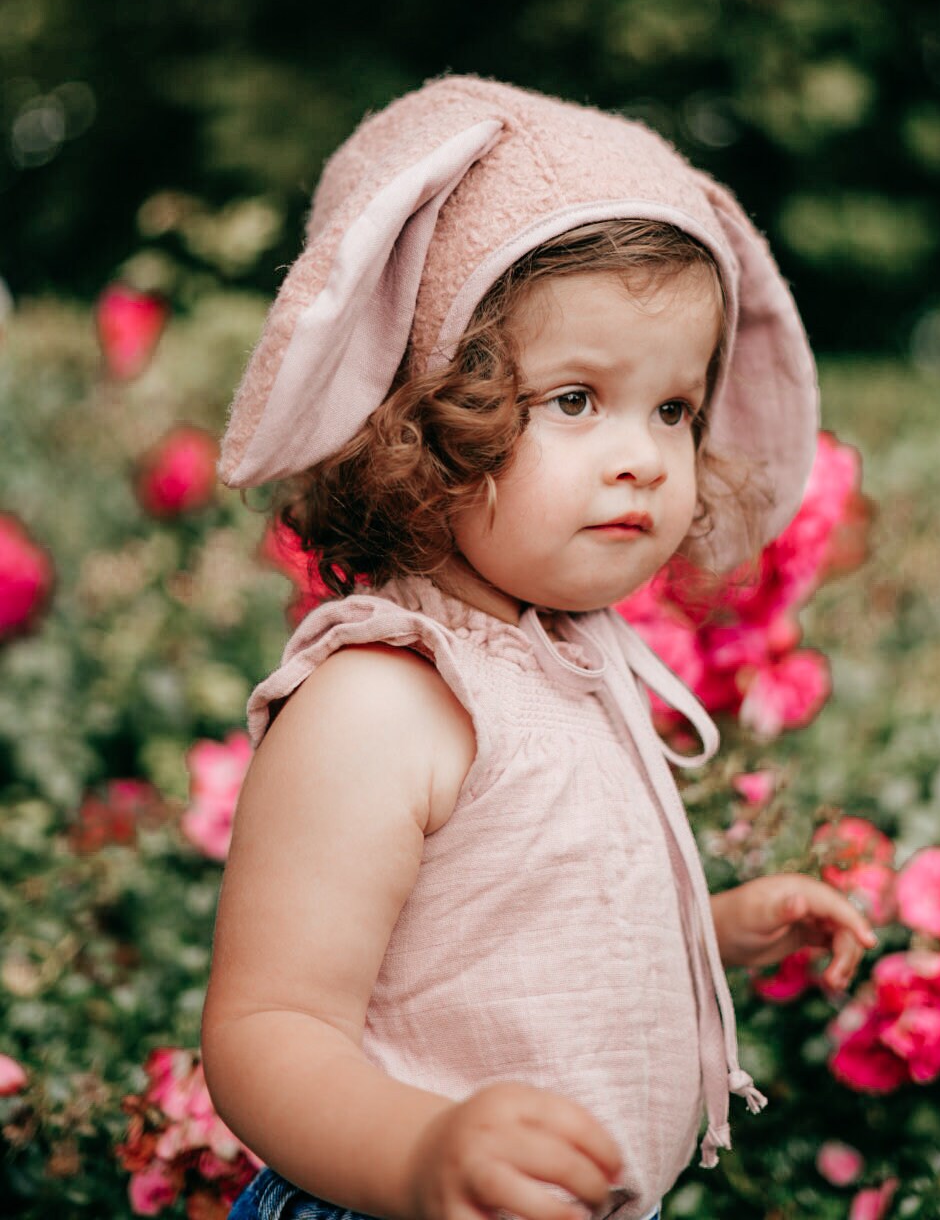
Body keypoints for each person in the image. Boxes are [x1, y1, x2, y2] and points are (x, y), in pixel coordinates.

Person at [202, 75, 877, 1220]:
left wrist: (708, 933)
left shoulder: (571, 661)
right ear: (425, 415)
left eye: (674, 407)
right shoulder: (385, 698)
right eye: (576, 397)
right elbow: (268, 1031)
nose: (644, 456)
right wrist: (425, 1151)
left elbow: (527, 945)